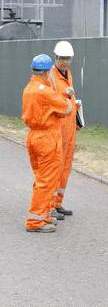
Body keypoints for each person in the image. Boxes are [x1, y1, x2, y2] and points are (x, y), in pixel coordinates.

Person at [22, 54, 72, 233]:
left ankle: (43, 215)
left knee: (41, 179)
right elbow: (66, 108)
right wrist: (67, 97)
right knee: (46, 181)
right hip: (47, 138)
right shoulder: (45, 90)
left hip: (33, 137)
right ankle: (35, 221)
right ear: (47, 72)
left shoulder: (29, 88)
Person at [49, 41, 78, 219]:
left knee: (65, 166)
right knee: (55, 166)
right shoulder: (51, 76)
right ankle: (49, 205)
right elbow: (50, 100)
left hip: (69, 127)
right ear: (56, 58)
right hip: (58, 127)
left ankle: (58, 203)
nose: (65, 62)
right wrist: (64, 95)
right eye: (62, 59)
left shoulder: (67, 73)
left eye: (68, 59)